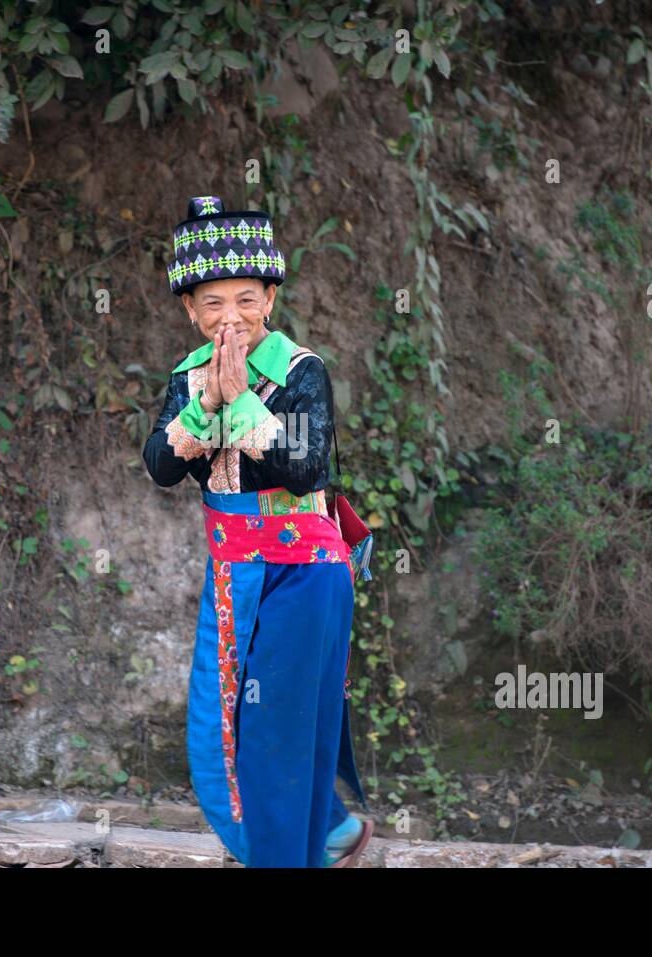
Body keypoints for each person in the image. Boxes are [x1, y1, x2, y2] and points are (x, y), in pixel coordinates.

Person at [142, 195, 375, 867]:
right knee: (223, 733)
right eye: (212, 304)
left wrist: (241, 399)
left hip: (305, 575)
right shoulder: (189, 378)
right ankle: (328, 832)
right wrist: (209, 401)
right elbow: (161, 464)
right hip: (233, 574)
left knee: (274, 734)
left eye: (246, 299)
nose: (231, 318)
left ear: (270, 297)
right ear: (189, 310)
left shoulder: (303, 373)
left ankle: (296, 849)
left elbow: (305, 469)